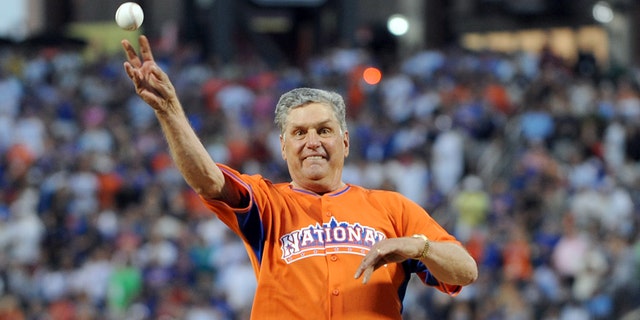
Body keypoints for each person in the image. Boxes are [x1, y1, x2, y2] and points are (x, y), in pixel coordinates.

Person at [121, 35, 478, 319]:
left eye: (324, 130)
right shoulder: (267, 203)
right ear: (282, 146)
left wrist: (417, 246)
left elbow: (466, 271)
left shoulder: (391, 207)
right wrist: (169, 112)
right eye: (299, 133)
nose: (312, 143)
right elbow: (207, 181)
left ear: (345, 142)